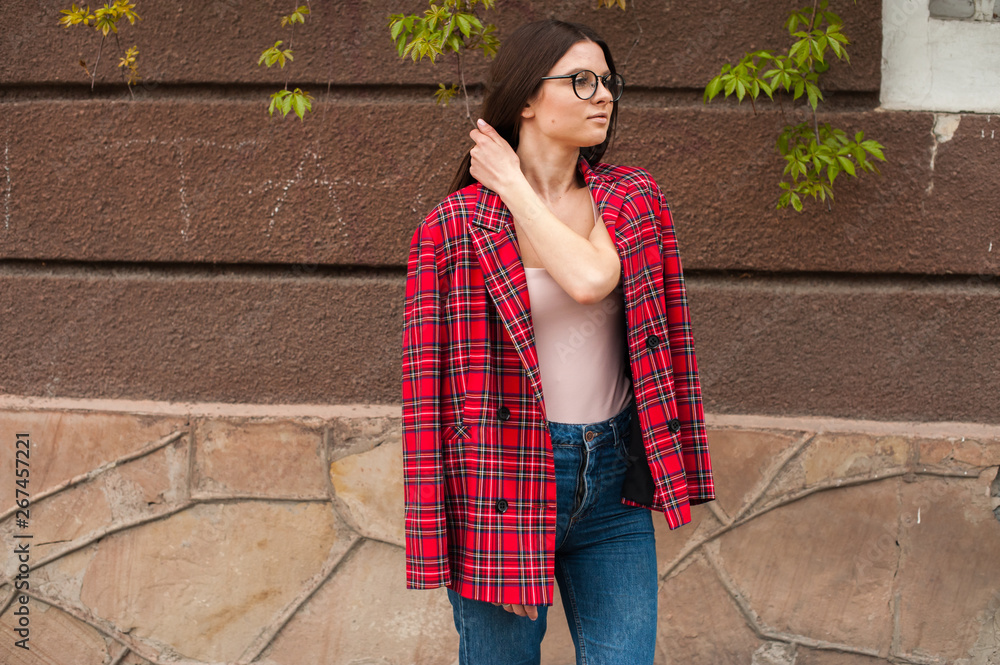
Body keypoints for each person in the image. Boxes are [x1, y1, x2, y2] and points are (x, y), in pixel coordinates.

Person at [401, 18, 715, 665]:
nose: (603, 95)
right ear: (525, 99)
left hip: (611, 485)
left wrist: (513, 184)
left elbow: (590, 277)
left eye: (608, 82)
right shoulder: (452, 227)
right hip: (504, 483)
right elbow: (425, 398)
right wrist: (461, 538)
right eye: (581, 80)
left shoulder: (631, 196)